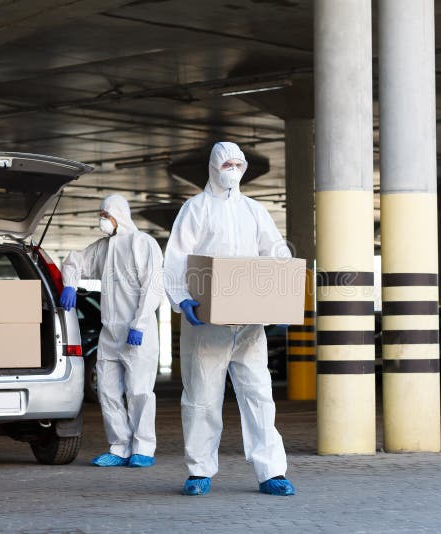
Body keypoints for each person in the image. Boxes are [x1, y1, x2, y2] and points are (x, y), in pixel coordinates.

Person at [164, 142, 296, 496]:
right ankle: (199, 470)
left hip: (250, 327)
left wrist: (282, 294)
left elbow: (275, 251)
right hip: (207, 325)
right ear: (213, 166)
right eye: (227, 163)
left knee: (259, 396)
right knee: (202, 397)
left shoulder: (254, 211)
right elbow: (177, 258)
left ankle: (272, 472)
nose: (233, 169)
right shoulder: (195, 209)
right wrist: (182, 299)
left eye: (239, 163)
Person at [60, 194, 163, 468]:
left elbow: (153, 287)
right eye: (101, 215)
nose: (102, 220)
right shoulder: (103, 248)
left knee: (139, 392)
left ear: (119, 214)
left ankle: (143, 448)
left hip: (136, 332)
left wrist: (139, 324)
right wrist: (70, 283)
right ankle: (119, 447)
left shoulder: (143, 244)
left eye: (106, 215)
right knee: (107, 390)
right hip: (110, 334)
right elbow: (74, 261)